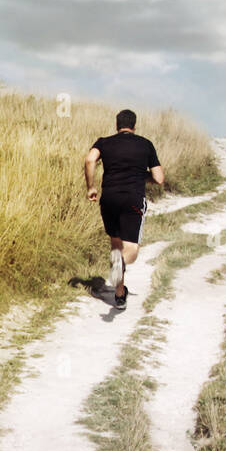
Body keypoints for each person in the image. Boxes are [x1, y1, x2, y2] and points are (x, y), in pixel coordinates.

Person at [83, 108, 164, 310]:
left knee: (116, 245)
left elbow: (90, 159)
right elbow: (159, 178)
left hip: (109, 199)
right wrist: (140, 175)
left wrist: (91, 187)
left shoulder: (104, 142)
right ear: (134, 126)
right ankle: (123, 266)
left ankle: (119, 295)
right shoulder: (145, 145)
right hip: (133, 199)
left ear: (116, 126)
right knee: (131, 249)